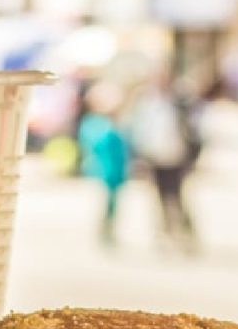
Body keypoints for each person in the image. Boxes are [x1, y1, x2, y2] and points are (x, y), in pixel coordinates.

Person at [129, 80, 198, 253]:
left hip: (176, 157)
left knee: (177, 197)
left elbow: (192, 133)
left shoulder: (179, 105)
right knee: (160, 198)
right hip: (156, 158)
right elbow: (140, 134)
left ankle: (185, 233)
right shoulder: (147, 108)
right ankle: (165, 234)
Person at [75, 83, 130, 246]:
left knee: (113, 203)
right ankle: (105, 230)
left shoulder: (111, 123)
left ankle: (109, 229)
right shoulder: (96, 124)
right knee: (106, 202)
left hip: (115, 171)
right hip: (103, 170)